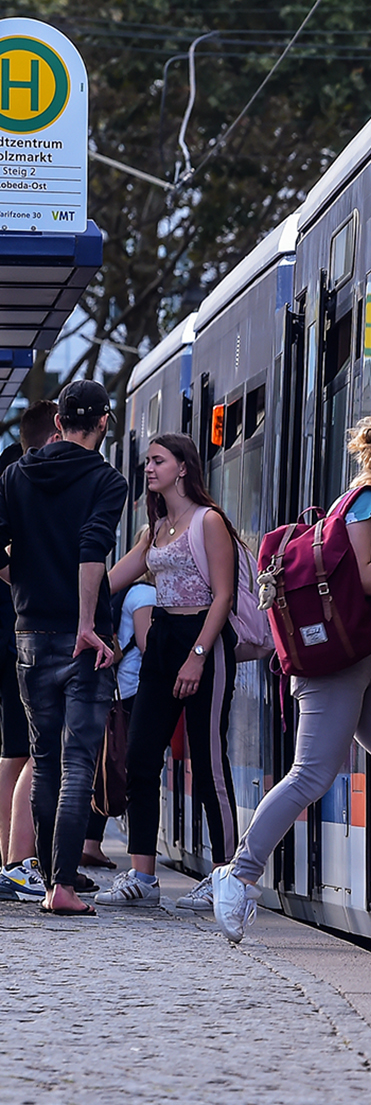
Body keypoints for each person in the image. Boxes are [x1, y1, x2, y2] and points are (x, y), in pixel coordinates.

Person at [213, 418, 371, 942]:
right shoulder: (365, 504)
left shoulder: (358, 502)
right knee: (310, 776)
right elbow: (364, 575)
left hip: (357, 656)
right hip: (333, 664)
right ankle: (239, 873)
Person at [0, 381, 128, 915]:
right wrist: (82, 622)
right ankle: (62, 888)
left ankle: (49, 878)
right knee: (77, 763)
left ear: (58, 424)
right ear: (101, 424)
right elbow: (91, 548)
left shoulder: (15, 475)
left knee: (45, 758)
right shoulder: (107, 480)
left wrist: (24, 586)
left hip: (29, 635)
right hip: (83, 638)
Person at [98, 435, 240, 910]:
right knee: (139, 757)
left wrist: (198, 655)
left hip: (203, 639)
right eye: (147, 461)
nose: (149, 468)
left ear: (183, 468)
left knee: (208, 760)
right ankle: (143, 877)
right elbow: (109, 581)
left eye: (158, 461)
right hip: (161, 639)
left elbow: (224, 595)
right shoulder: (154, 528)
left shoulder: (209, 521)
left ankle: (227, 876)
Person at [0, 401, 67, 902]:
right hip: (19, 631)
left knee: (18, 750)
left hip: (15, 629)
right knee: (27, 750)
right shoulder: (21, 482)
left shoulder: (12, 476)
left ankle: (15, 861)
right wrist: (30, 587)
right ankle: (18, 862)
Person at [81, 573, 156, 873]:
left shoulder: (123, 593)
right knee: (129, 768)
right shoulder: (145, 596)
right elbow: (147, 645)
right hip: (134, 692)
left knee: (107, 764)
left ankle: (90, 843)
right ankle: (106, 848)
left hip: (116, 692)